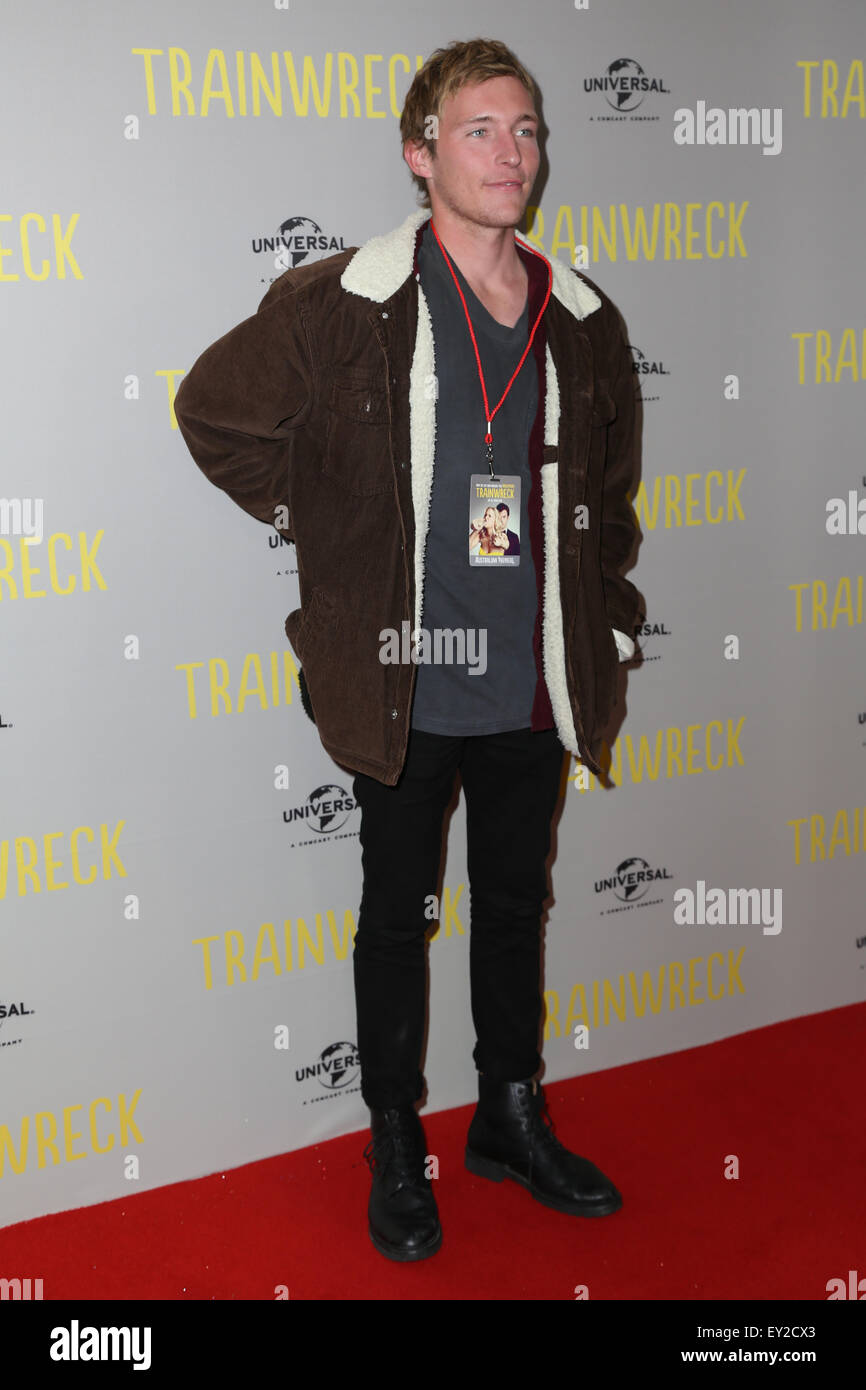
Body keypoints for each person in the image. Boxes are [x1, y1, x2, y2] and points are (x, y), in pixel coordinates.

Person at [174, 36, 643, 1264]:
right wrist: (318, 520)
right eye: (479, 128)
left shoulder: (582, 318)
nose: (509, 151)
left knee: (513, 909)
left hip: (529, 677)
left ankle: (507, 1114)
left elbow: (606, 496)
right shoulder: (345, 299)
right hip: (403, 673)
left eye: (527, 128)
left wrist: (601, 618)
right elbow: (213, 412)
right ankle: (396, 1136)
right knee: (396, 917)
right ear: (418, 152)